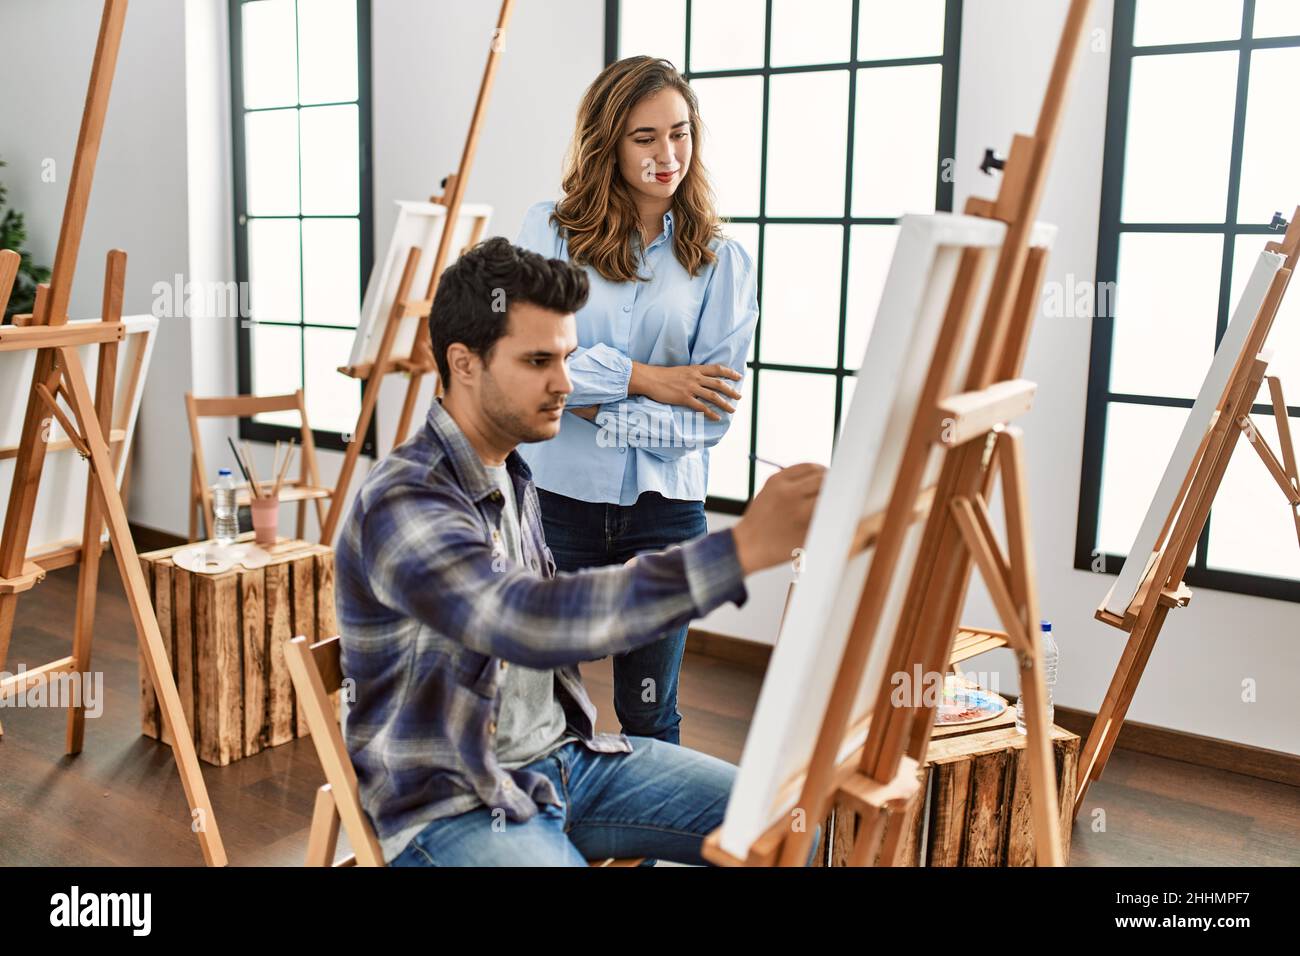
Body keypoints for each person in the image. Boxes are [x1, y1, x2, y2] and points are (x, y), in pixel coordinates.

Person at [335, 236, 823, 866]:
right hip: (455, 801)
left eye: (566, 357)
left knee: (787, 823)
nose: (566, 385)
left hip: (566, 763)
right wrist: (743, 548)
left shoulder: (511, 471)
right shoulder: (406, 499)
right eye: (539, 360)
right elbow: (528, 621)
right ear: (464, 363)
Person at [516, 56, 757, 746]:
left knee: (651, 714)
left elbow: (707, 418)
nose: (667, 155)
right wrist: (652, 379)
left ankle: (643, 853)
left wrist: (584, 397)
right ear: (608, 142)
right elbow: (534, 362)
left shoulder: (721, 260)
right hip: (558, 506)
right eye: (644, 137)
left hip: (666, 515)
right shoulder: (552, 232)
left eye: (679, 133)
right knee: (542, 708)